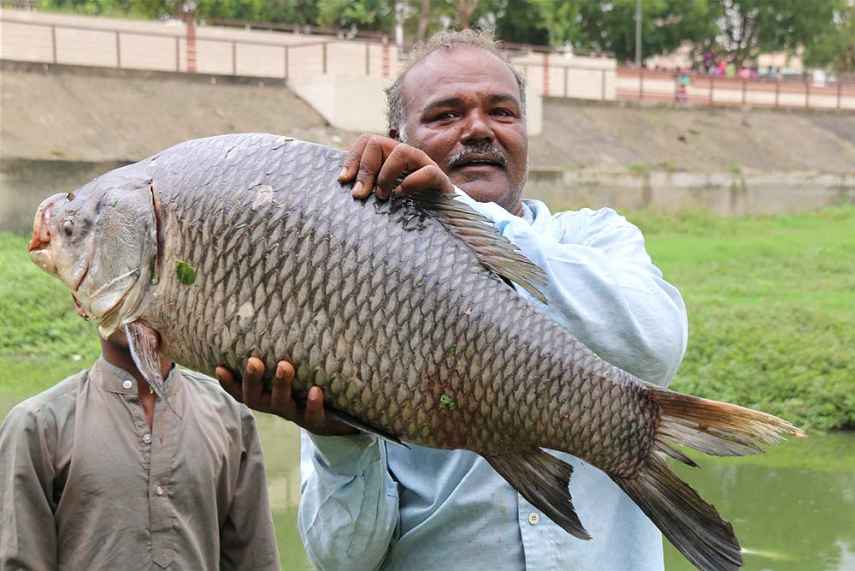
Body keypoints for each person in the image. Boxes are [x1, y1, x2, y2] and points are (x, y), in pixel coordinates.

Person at [218, 30, 687, 570]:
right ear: (397, 139)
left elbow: (655, 343)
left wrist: (460, 210)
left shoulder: (595, 239)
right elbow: (344, 560)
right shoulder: (349, 278)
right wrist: (339, 438)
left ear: (525, 132)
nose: (478, 129)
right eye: (445, 115)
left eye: (502, 112)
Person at [0, 328, 280, 570]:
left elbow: (254, 560)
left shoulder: (229, 417)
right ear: (81, 301)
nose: (135, 300)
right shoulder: (37, 425)